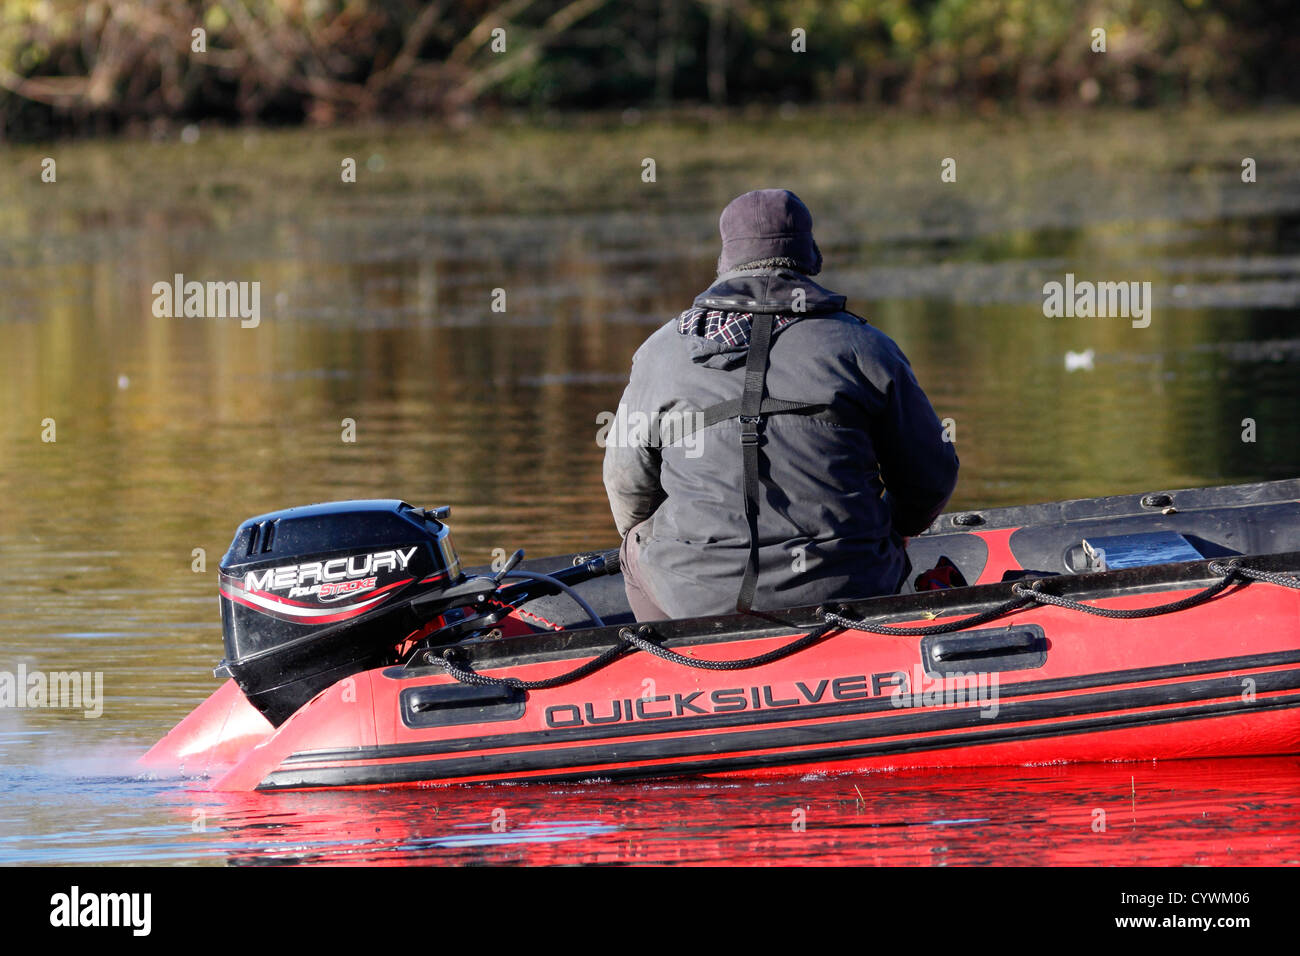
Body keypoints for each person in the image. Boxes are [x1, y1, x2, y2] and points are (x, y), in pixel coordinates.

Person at [603, 188, 958, 620]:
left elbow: (627, 487)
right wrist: (895, 528)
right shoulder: (865, 346)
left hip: (694, 598)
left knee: (635, 540)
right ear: (811, 256)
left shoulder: (660, 354)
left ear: (725, 261)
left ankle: (674, 671)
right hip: (849, 584)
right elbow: (931, 478)